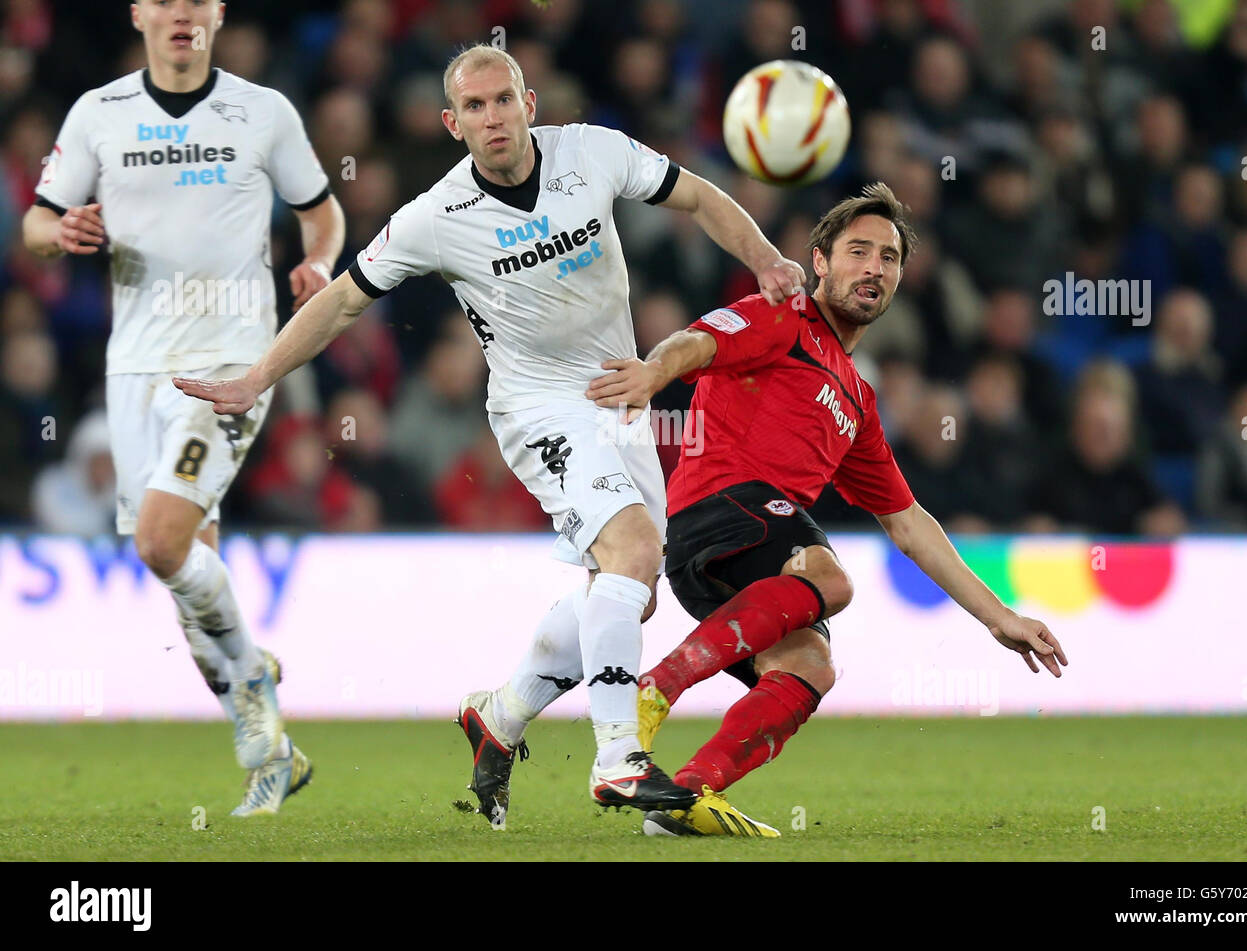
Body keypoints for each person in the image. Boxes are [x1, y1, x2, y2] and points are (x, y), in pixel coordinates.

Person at [173, 44, 806, 828]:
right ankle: (618, 760)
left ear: (529, 103)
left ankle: (499, 716)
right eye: (473, 108)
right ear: (452, 124)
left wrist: (767, 258)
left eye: (502, 100)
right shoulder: (436, 216)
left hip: (621, 397)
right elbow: (341, 302)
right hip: (538, 409)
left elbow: (700, 198)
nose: (491, 117)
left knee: (627, 597)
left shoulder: (594, 152)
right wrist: (256, 378)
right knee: (635, 552)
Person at [582, 184, 1069, 836]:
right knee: (830, 578)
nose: (874, 267)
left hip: (746, 563)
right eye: (858, 251)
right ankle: (653, 691)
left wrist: (999, 617)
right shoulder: (782, 316)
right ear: (819, 261)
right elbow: (698, 343)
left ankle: (685, 798)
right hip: (724, 510)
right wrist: (651, 372)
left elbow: (907, 522)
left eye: (889, 257)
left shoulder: (858, 399)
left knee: (811, 665)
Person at [22, 0, 345, 816]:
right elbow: (34, 219)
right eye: (163, 0)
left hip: (233, 360)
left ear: (216, 13)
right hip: (134, 369)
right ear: (139, 13)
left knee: (162, 540)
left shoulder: (263, 111)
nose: (179, 14)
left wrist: (318, 260)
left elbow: (322, 209)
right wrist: (60, 235)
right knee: (186, 579)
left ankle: (251, 708)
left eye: (194, 0)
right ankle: (269, 736)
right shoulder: (98, 113)